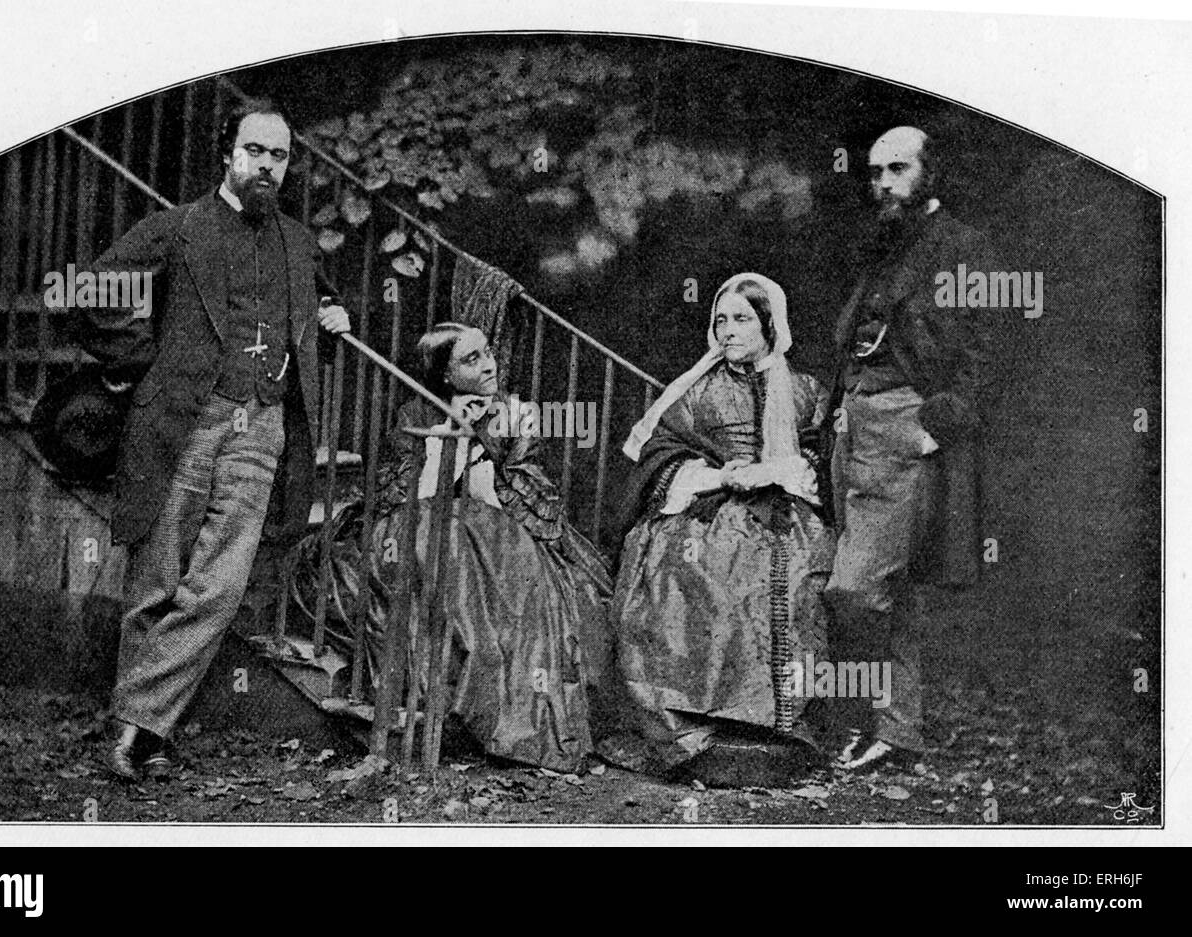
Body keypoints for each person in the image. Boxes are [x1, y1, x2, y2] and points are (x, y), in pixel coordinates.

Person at [77, 98, 352, 780]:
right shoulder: (178, 229)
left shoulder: (297, 241)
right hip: (186, 420)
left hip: (260, 424)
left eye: (279, 156)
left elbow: (314, 313)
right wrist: (143, 364)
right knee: (157, 578)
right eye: (255, 151)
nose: (267, 165)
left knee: (219, 587)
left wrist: (332, 322)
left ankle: (136, 719)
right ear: (228, 153)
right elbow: (93, 289)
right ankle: (147, 736)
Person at [307, 323, 614, 772]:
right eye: (471, 359)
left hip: (496, 520)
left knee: (526, 576)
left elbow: (515, 485)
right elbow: (404, 493)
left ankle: (515, 710)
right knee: (441, 548)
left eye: (488, 352)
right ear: (446, 375)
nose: (489, 364)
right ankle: (457, 700)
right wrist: (450, 429)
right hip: (431, 522)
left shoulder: (514, 410)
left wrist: (486, 449)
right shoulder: (415, 412)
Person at [600, 273, 835, 776]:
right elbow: (660, 452)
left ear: (769, 325)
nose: (728, 331)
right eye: (720, 320)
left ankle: (776, 726)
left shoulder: (804, 389)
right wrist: (714, 475)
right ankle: (692, 727)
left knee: (799, 578)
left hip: (785, 512)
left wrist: (778, 470)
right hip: (706, 511)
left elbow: (820, 453)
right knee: (689, 579)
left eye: (742, 319)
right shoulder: (696, 390)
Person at [824, 126, 993, 770]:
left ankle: (872, 718)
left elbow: (989, 355)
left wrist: (937, 425)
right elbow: (856, 337)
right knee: (890, 587)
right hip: (854, 421)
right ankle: (895, 726)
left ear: (929, 172)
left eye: (898, 169)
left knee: (855, 587)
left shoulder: (963, 248)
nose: (884, 183)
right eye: (875, 173)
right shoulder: (881, 243)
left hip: (906, 422)